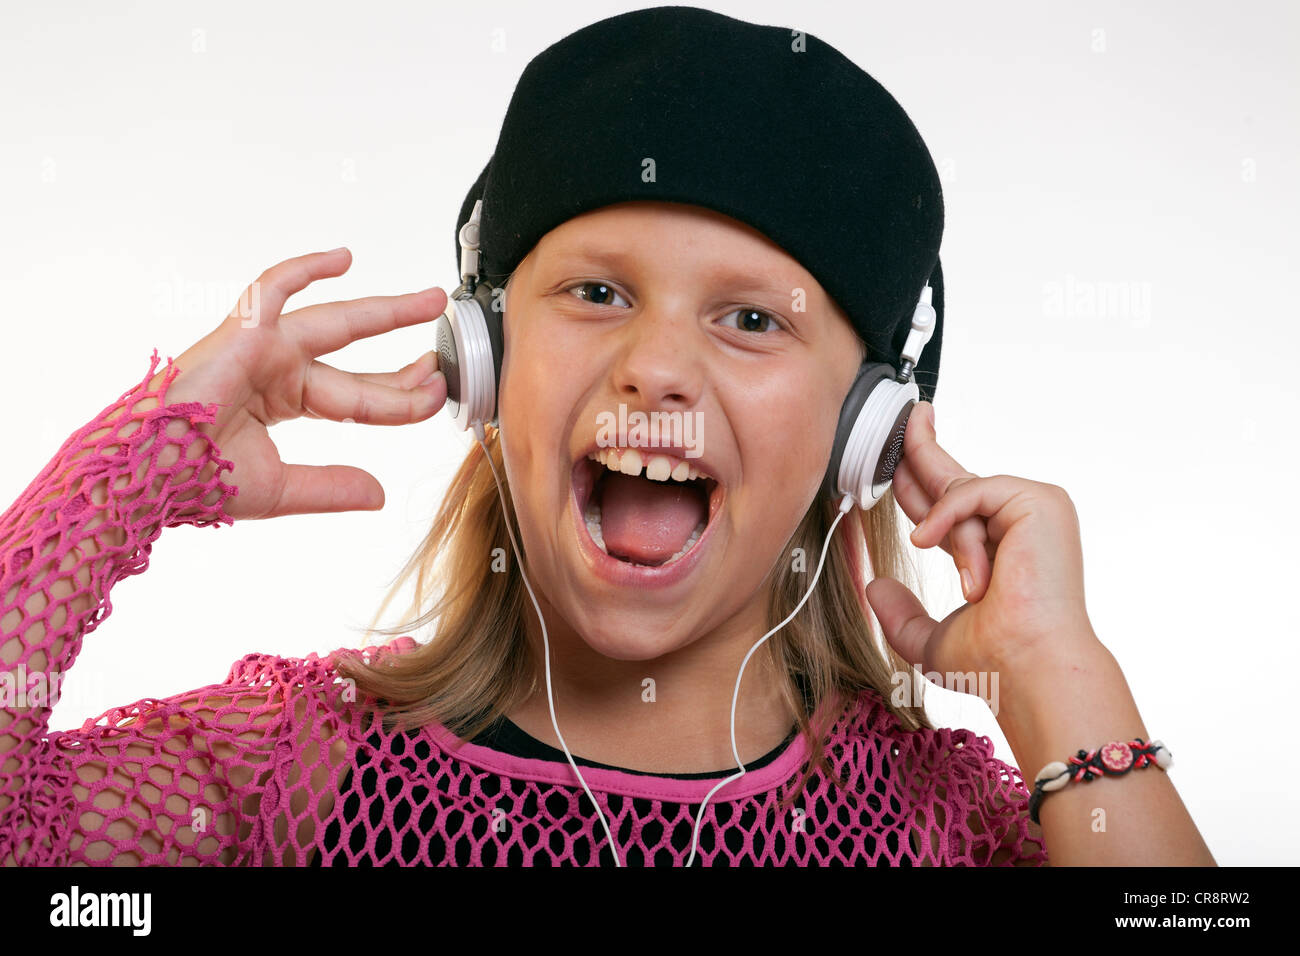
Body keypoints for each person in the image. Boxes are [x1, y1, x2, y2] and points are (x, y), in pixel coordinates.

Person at [0, 6, 1213, 866]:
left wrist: (1058, 673)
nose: (657, 366)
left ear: (867, 430)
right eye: (596, 292)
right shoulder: (290, 777)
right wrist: (132, 466)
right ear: (487, 362)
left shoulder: (949, 833)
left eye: (752, 318)